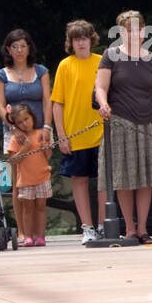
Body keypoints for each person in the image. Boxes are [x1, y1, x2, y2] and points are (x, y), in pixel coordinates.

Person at [94, 10, 152, 244]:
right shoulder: (111, 55)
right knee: (124, 178)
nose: (133, 33)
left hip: (149, 122)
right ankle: (128, 228)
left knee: (146, 179)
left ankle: (143, 229)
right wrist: (103, 104)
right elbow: (101, 87)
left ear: (144, 31)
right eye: (128, 29)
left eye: (137, 28)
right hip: (121, 123)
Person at [51, 20, 106, 243]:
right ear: (71, 42)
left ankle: (104, 225)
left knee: (105, 181)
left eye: (84, 38)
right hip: (75, 133)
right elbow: (57, 103)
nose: (81, 42)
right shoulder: (65, 65)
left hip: (102, 132)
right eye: (76, 39)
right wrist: (61, 136)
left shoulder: (102, 62)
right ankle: (88, 228)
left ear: (91, 39)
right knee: (79, 180)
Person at [0, 29, 51, 237]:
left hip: (39, 130)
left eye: (23, 45)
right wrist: (13, 127)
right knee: (19, 181)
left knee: (41, 176)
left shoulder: (41, 71)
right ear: (8, 49)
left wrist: (47, 127)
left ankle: (39, 233)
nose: (19, 50)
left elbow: (47, 100)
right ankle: (22, 233)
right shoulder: (1, 75)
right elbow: (0, 105)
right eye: (15, 46)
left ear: (29, 47)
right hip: (13, 132)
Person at [5, 103, 51, 247]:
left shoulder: (41, 135)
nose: (24, 124)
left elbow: (48, 156)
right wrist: (24, 148)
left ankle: (41, 236)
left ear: (32, 117)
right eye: (19, 122)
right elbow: (12, 161)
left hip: (42, 177)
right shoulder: (17, 139)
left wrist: (45, 147)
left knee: (41, 207)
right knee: (28, 209)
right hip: (25, 180)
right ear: (15, 124)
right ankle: (28, 236)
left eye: (26, 119)